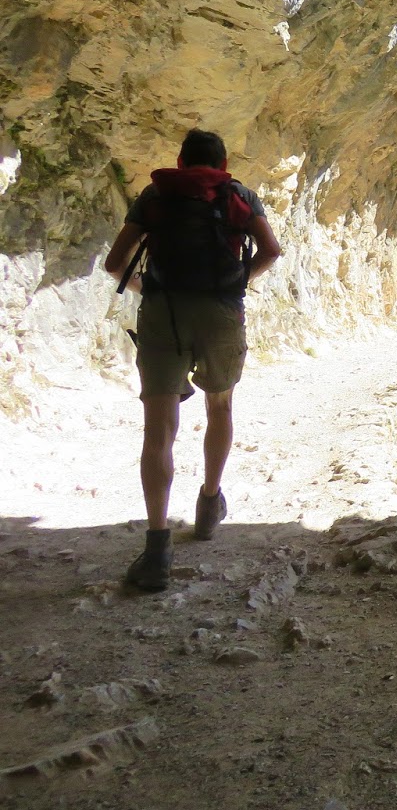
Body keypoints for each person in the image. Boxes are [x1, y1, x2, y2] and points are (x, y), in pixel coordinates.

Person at [103, 128, 282, 592]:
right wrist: (240, 280)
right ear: (221, 166)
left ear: (181, 162)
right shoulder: (239, 196)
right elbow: (271, 250)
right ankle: (208, 505)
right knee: (218, 406)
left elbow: (115, 263)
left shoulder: (156, 195)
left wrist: (148, 289)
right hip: (220, 312)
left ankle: (158, 547)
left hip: (162, 313)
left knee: (159, 428)